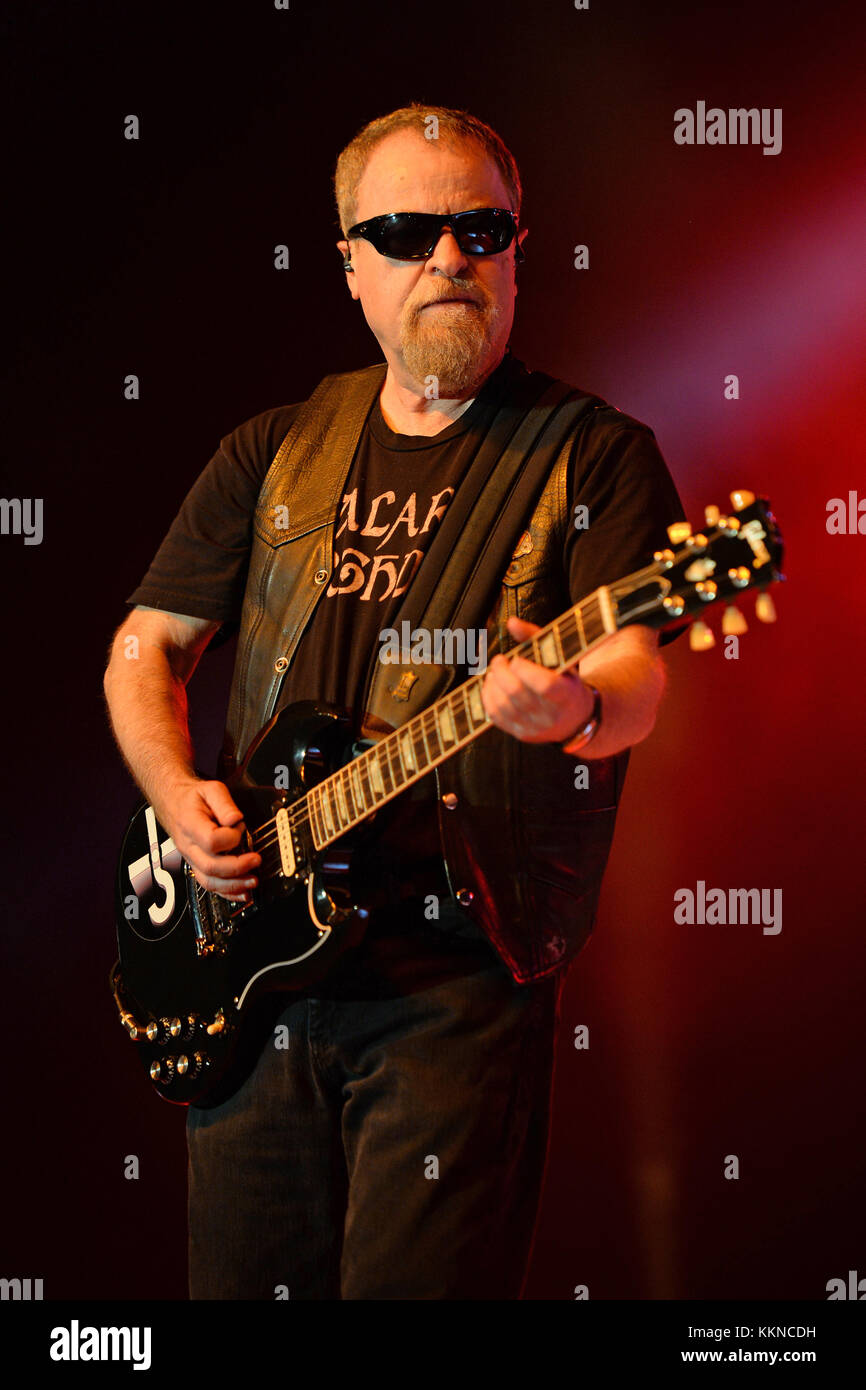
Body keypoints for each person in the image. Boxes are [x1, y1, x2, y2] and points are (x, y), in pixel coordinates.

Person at [103, 103, 686, 1300]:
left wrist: (570, 707)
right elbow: (140, 650)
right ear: (351, 268)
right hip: (251, 976)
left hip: (451, 992)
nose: (447, 258)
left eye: (479, 228)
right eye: (407, 230)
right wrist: (178, 793)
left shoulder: (592, 455)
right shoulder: (274, 450)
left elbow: (635, 674)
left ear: (517, 251)